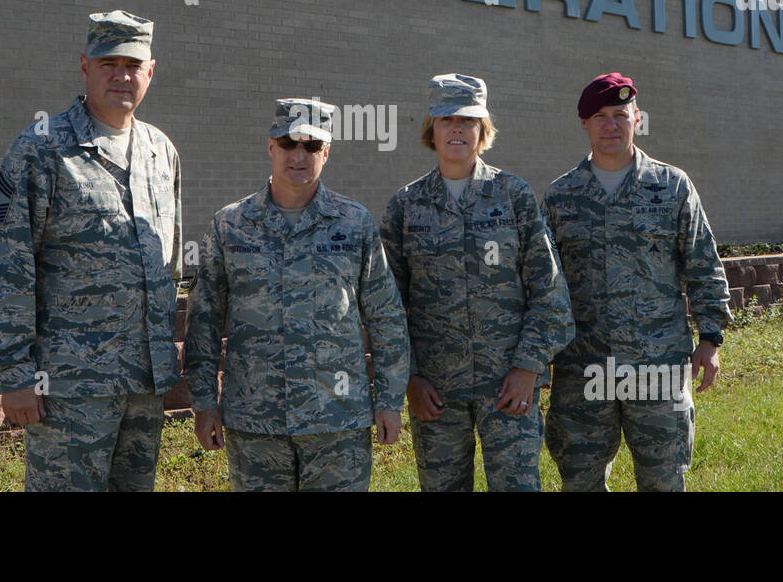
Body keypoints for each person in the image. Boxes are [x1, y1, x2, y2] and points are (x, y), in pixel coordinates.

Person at [0, 10, 182, 492]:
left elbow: (169, 265)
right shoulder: (42, 147)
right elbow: (4, 259)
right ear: (85, 66)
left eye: (133, 63)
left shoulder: (160, 151)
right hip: (69, 385)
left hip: (143, 383)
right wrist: (15, 371)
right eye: (109, 63)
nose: (121, 75)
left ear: (151, 71)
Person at [184, 97, 409, 492]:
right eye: (288, 143)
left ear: (327, 151)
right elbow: (203, 320)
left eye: (311, 145)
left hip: (337, 422)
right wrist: (204, 402)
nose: (298, 155)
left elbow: (385, 316)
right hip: (256, 424)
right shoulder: (230, 226)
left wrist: (389, 399)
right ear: (271, 147)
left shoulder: (354, 224)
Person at [380, 73, 574, 491]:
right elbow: (388, 307)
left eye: (468, 120)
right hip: (435, 392)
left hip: (508, 386)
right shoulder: (406, 206)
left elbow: (549, 291)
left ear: (483, 130)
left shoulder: (513, 196)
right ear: (431, 128)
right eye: (446, 118)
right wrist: (409, 377)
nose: (456, 128)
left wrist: (528, 367)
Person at [543, 72, 731, 492]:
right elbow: (545, 284)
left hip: (657, 362)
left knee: (663, 479)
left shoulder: (672, 186)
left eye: (620, 115)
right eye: (600, 117)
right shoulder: (560, 196)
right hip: (583, 365)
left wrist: (711, 337)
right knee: (580, 479)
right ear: (584, 124)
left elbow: (701, 261)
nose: (611, 125)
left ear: (637, 119)